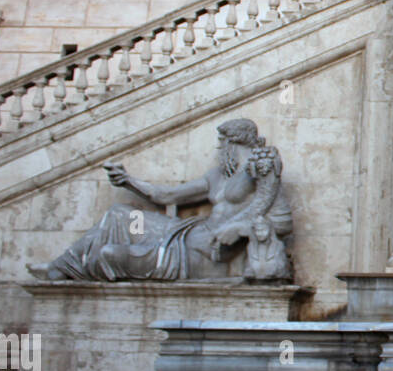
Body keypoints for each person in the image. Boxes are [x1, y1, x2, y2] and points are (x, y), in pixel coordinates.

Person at [26, 118, 292, 281]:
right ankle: (61, 265)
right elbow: (166, 196)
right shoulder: (216, 176)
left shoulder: (262, 170)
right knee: (120, 214)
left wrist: (239, 228)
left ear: (233, 143)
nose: (219, 149)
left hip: (199, 253)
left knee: (110, 254)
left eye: (222, 143)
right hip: (186, 233)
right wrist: (128, 180)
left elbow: (282, 222)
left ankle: (76, 267)